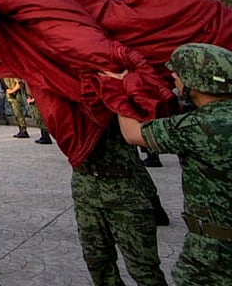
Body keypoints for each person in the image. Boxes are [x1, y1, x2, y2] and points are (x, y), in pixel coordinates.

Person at [118, 43, 232, 286]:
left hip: (215, 258)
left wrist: (120, 90)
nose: (174, 80)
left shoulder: (196, 127)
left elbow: (132, 133)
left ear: (195, 83)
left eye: (177, 76)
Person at [68, 119, 168, 286]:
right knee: (97, 260)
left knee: (143, 268)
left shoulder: (120, 99)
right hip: (86, 188)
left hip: (124, 189)